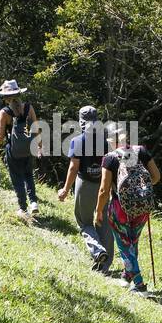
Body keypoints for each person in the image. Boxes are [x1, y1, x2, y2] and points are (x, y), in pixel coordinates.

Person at [94, 125, 161, 293]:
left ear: (112, 141)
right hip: (142, 207)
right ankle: (126, 275)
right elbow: (156, 177)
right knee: (132, 242)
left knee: (125, 245)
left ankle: (139, 285)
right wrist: (140, 190)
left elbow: (103, 190)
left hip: (119, 207)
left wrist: (98, 211)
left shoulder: (110, 158)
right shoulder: (142, 152)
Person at [57, 106, 114, 271]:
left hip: (85, 186)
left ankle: (97, 250)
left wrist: (65, 190)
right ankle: (105, 265)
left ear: (81, 122)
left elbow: (73, 168)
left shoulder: (77, 141)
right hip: (103, 184)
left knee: (84, 222)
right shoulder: (106, 142)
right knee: (103, 222)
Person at [0, 79, 41, 216]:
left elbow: (1, 134)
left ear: (5, 96)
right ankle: (33, 202)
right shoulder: (28, 107)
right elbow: (36, 127)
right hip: (29, 148)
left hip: (13, 150)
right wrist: (39, 146)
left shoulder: (4, 112)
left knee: (17, 178)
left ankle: (23, 208)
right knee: (29, 175)